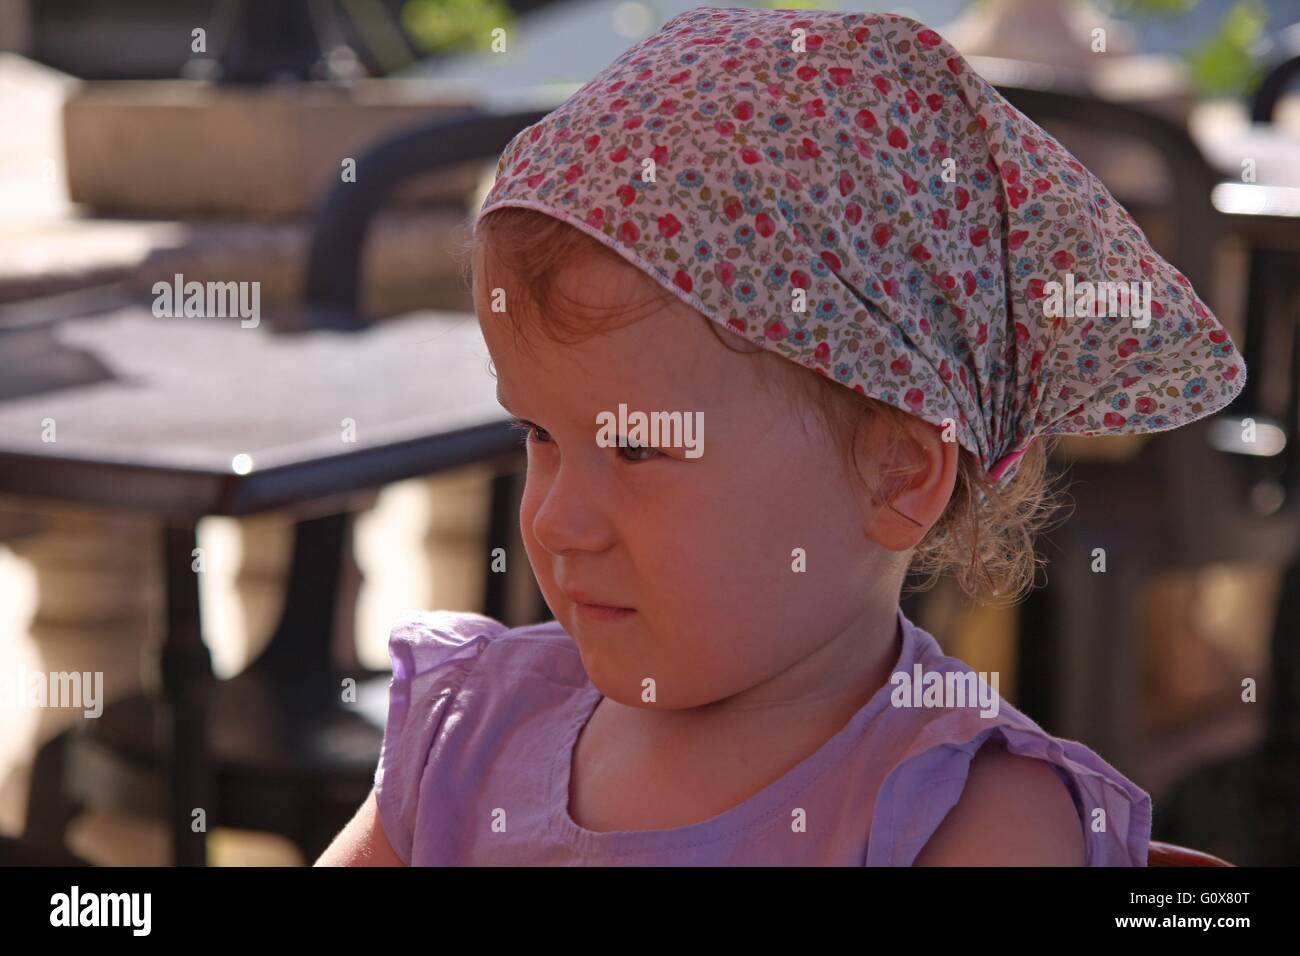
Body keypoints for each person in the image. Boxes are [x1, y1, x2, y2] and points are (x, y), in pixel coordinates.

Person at [316, 7, 1245, 866]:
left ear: (896, 473)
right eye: (539, 433)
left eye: (637, 448)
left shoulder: (970, 822)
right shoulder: (465, 736)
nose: (556, 521)